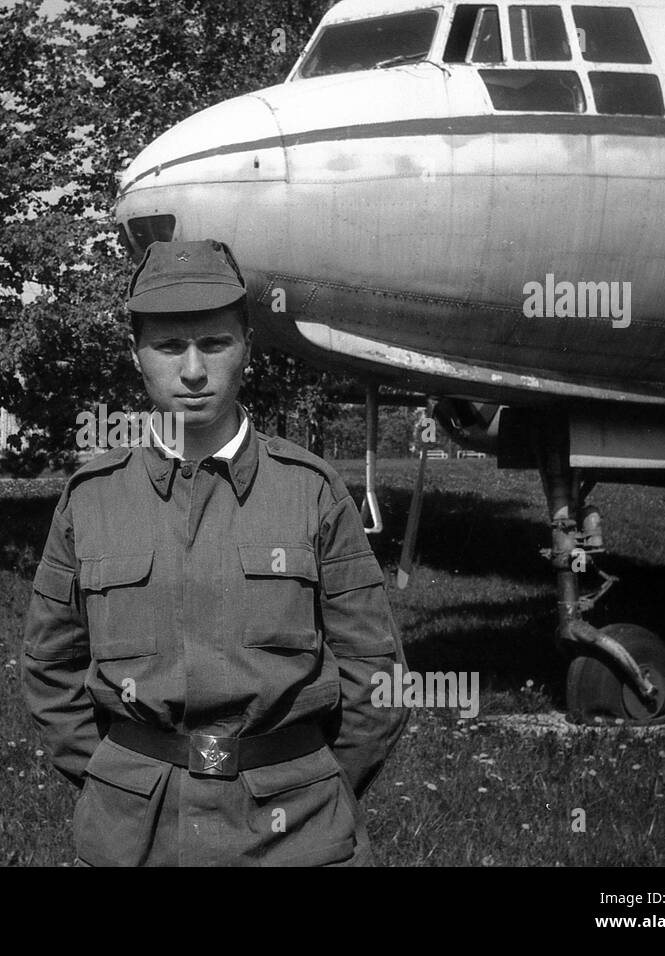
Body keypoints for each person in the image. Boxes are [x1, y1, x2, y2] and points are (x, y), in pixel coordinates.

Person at [22, 238, 409, 866]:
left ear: (248, 348)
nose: (194, 370)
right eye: (171, 346)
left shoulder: (310, 490)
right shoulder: (90, 499)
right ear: (136, 355)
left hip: (299, 834)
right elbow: (50, 669)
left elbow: (377, 673)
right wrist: (121, 777)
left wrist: (315, 783)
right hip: (136, 836)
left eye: (215, 343)